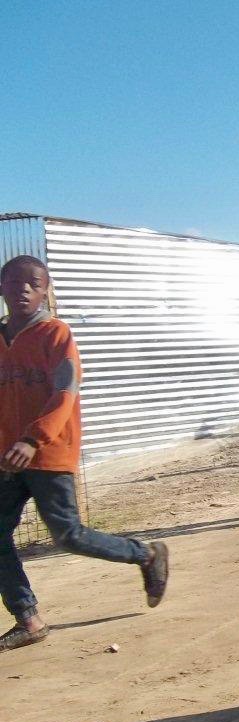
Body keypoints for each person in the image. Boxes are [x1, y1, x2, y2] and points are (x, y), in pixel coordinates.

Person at [0, 256, 170, 651]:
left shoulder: (56, 335)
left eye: (33, 282)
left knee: (69, 535)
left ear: (45, 289)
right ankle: (29, 618)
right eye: (13, 281)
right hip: (7, 458)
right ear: (2, 287)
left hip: (47, 452)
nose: (23, 288)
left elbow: (65, 393)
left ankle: (145, 555)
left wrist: (32, 439)